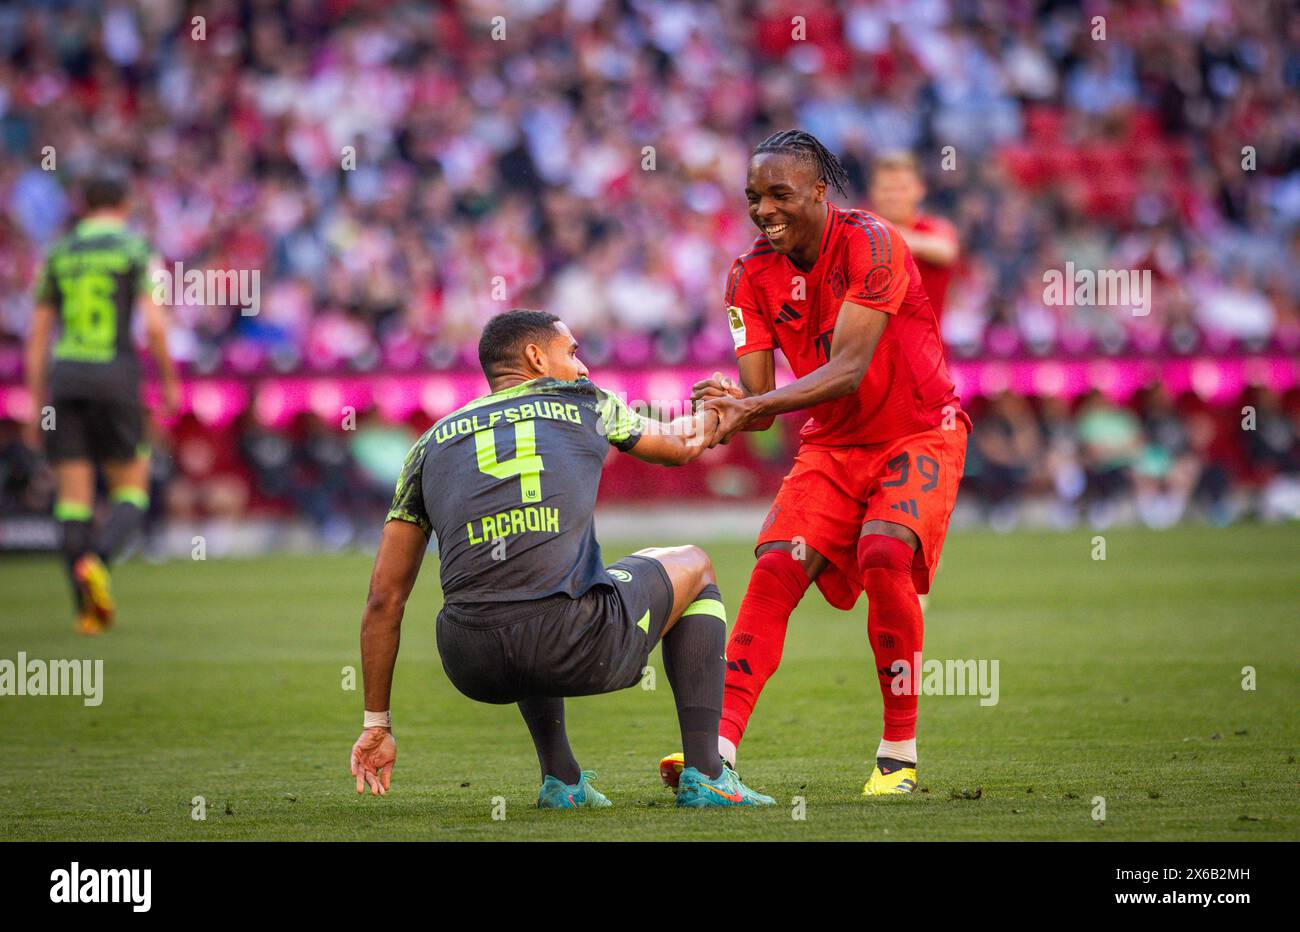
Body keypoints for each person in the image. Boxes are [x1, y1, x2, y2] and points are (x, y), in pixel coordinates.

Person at [349, 309, 774, 809]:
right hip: (573, 645)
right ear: (535, 357)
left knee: (526, 577)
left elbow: (384, 597)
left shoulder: (428, 443)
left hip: (470, 660)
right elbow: (680, 445)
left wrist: (376, 723)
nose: (584, 367)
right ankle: (708, 774)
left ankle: (562, 781)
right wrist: (722, 410)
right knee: (694, 563)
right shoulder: (581, 402)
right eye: (571, 352)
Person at [675, 130, 970, 796]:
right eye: (753, 197)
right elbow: (758, 393)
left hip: (919, 431)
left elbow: (847, 367)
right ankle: (714, 757)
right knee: (775, 565)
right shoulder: (747, 274)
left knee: (884, 552)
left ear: (818, 190)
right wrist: (731, 405)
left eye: (779, 194)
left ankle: (897, 756)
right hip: (833, 444)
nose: (763, 210)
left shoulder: (873, 242)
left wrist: (754, 407)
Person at [24, 174, 180, 634]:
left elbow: (36, 338)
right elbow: (154, 327)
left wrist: (37, 405)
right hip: (116, 378)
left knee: (73, 500)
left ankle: (86, 611)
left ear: (82, 204)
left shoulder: (58, 252)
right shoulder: (134, 250)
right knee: (132, 489)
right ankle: (97, 562)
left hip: (66, 378)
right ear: (125, 204)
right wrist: (168, 381)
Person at [867, 152, 959, 324]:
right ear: (873, 192)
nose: (894, 197)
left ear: (920, 190)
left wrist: (881, 235)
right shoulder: (856, 229)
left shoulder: (936, 229)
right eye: (887, 189)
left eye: (902, 189)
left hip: (927, 348)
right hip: (871, 350)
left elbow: (946, 251)